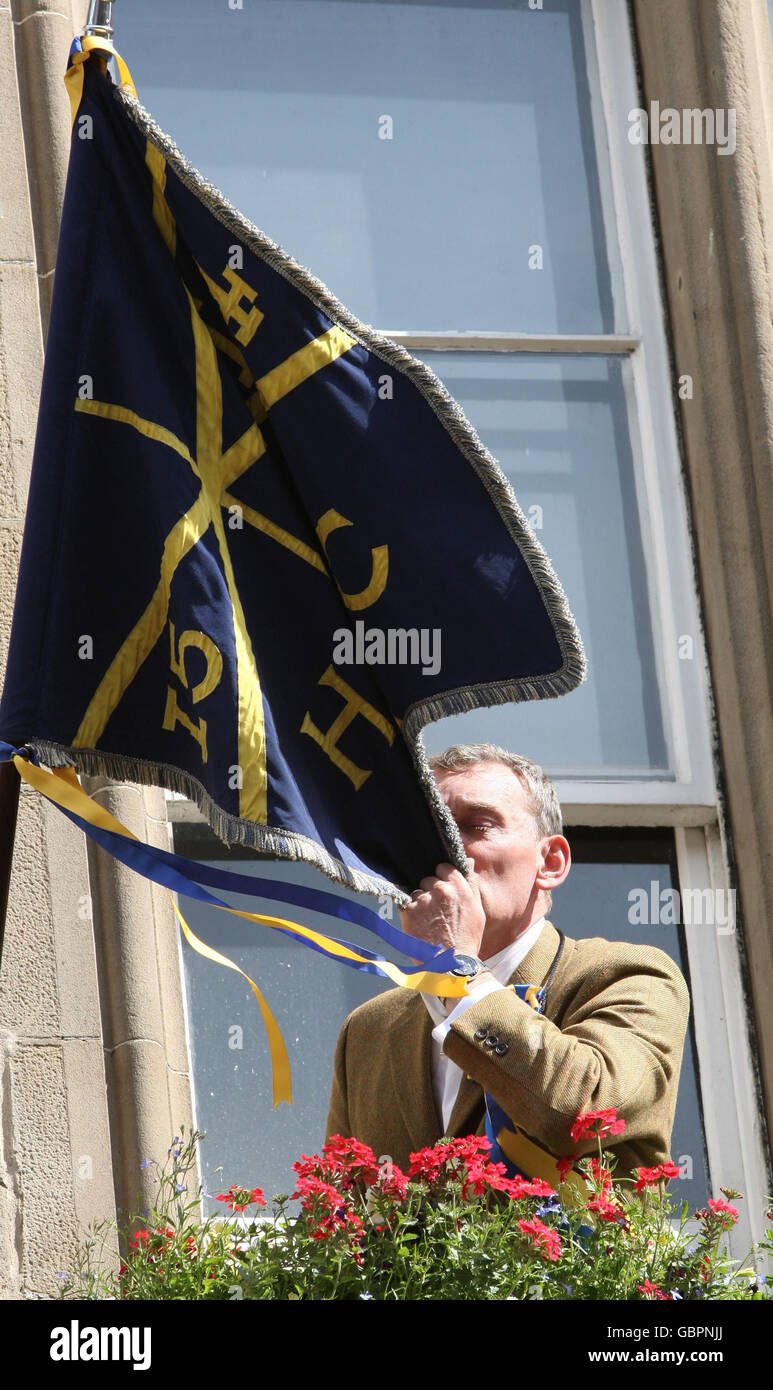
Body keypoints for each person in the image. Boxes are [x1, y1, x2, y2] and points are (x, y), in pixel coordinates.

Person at [326, 744, 690, 1183]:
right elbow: (337, 1216)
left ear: (550, 862)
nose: (447, 850)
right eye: (428, 830)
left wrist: (458, 971)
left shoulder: (629, 976)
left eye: (477, 826)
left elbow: (585, 1111)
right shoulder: (367, 1031)